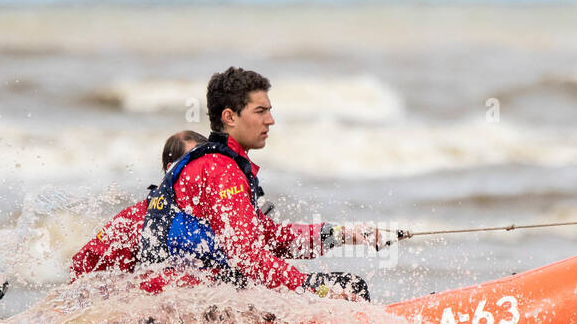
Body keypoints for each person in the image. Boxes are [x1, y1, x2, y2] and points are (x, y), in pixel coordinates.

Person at [136, 67, 377, 298]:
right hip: (184, 306)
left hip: (191, 294)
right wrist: (310, 287)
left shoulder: (219, 163)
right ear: (229, 117)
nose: (270, 120)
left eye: (269, 110)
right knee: (351, 287)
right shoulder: (221, 170)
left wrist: (337, 234)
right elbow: (247, 255)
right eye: (260, 111)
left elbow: (266, 236)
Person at [68, 130, 207, 280]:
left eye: (209, 163)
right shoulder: (136, 218)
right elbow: (83, 267)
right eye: (193, 163)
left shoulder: (225, 208)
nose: (203, 171)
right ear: (171, 169)